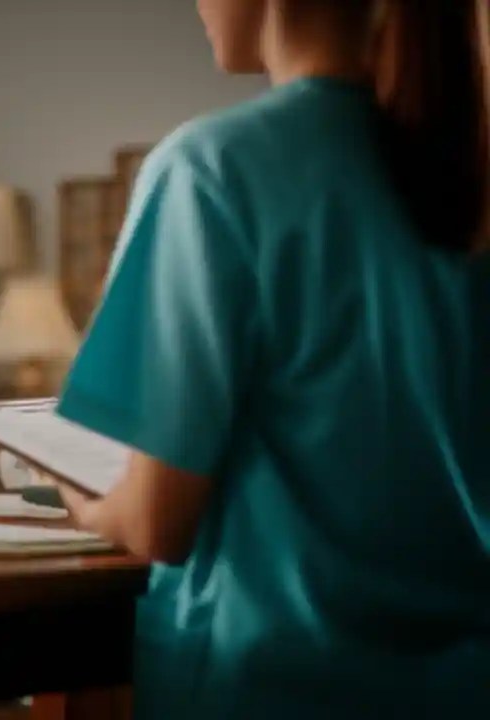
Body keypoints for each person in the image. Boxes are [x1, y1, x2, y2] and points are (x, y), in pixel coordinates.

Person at [45, 1, 490, 717]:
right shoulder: (465, 172)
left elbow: (158, 522)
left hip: (268, 682)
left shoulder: (213, 168)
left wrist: (74, 493)